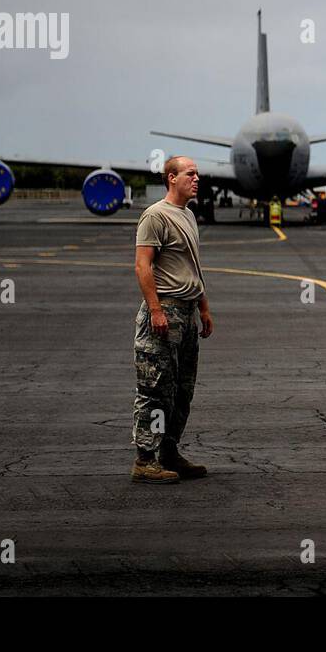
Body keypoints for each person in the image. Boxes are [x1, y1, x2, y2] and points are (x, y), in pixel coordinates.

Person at [130, 155, 214, 483]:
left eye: (197, 174)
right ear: (171, 178)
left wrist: (204, 307)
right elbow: (142, 265)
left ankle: (169, 451)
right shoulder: (155, 216)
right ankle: (144, 459)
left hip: (188, 311)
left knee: (182, 389)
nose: (197, 179)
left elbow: (193, 266)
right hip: (164, 310)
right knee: (154, 388)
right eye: (190, 174)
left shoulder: (189, 215)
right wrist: (155, 310)